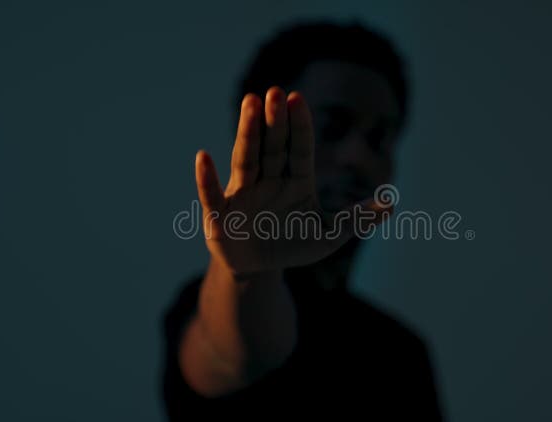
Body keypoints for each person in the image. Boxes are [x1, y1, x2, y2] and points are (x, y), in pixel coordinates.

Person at [162, 21, 442, 420]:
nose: (358, 159)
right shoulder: (208, 305)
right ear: (260, 136)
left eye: (380, 138)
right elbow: (231, 353)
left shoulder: (402, 353)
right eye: (331, 128)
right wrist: (249, 272)